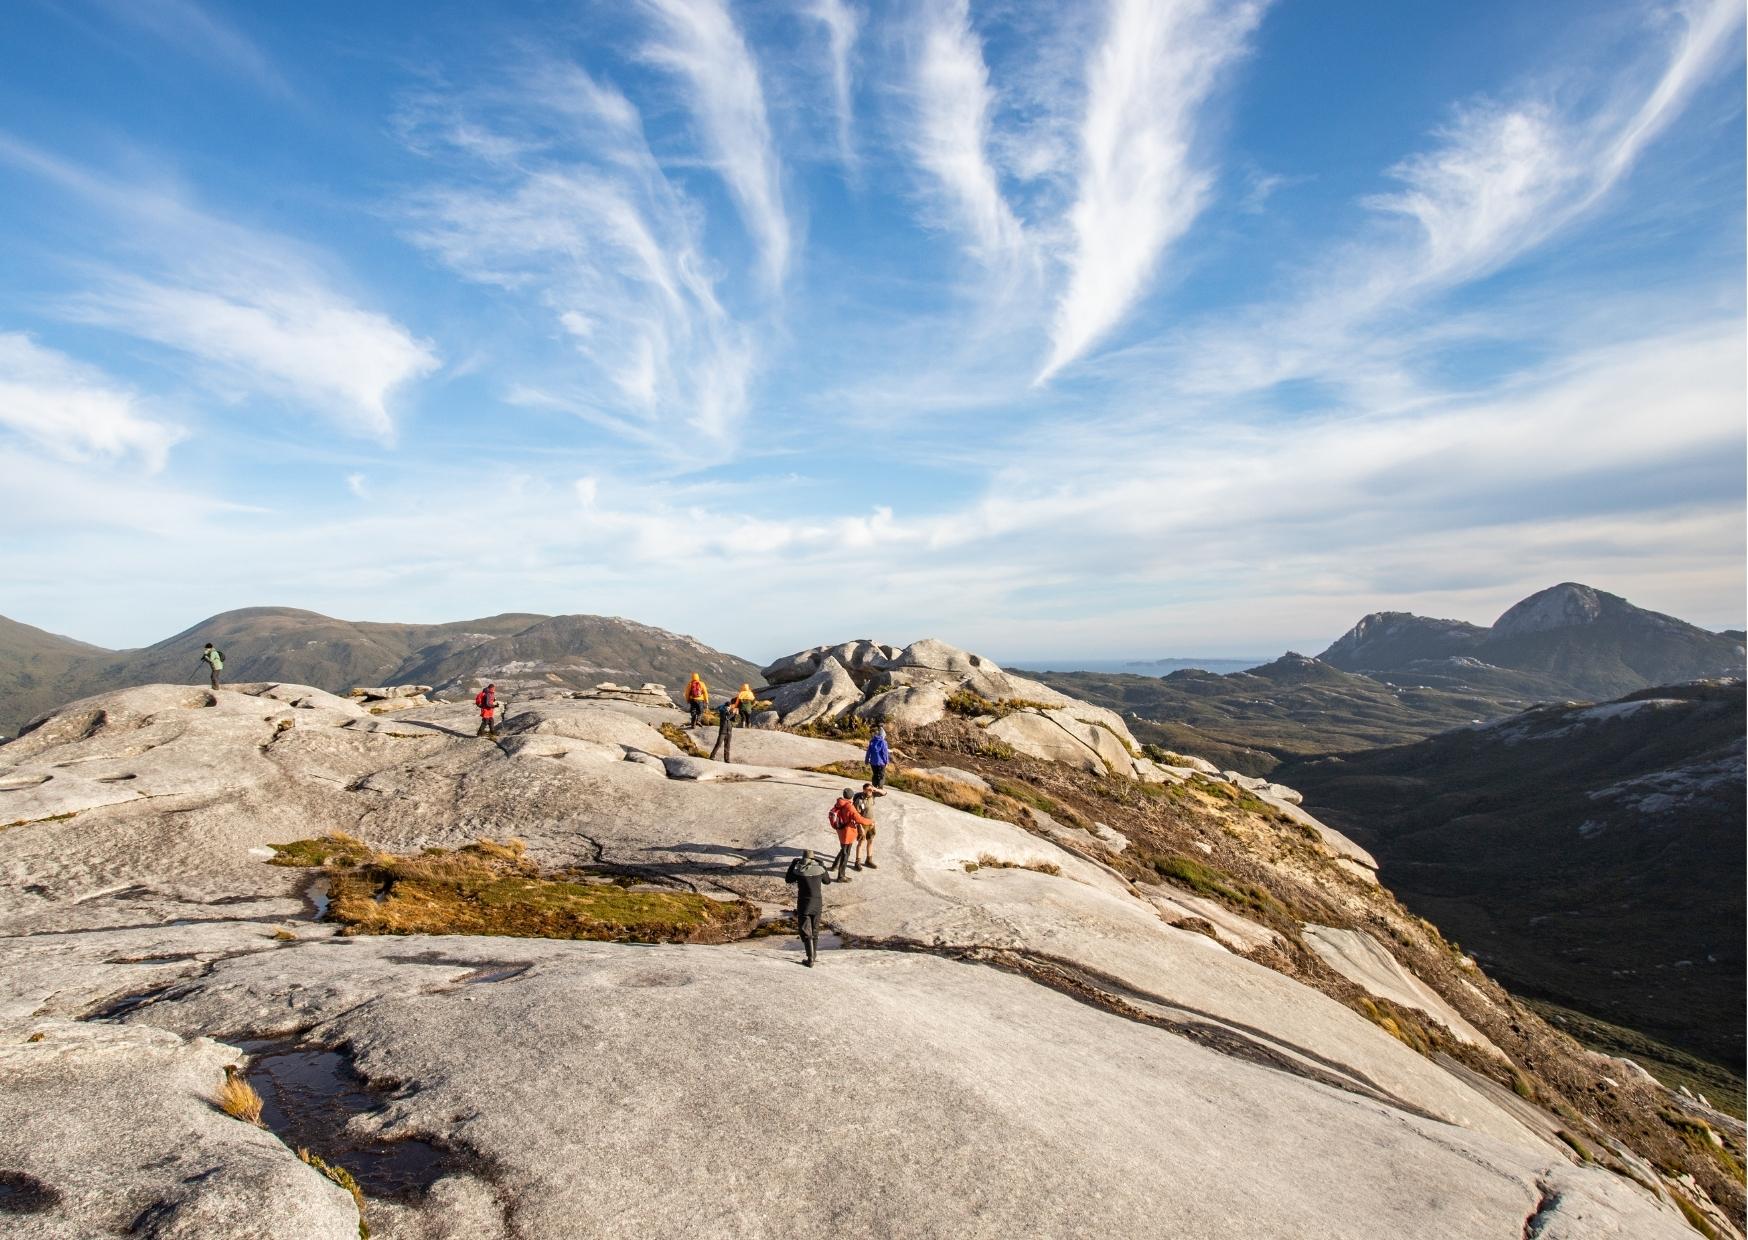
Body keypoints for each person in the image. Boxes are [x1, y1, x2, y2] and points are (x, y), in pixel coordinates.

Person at [784, 849, 834, 967]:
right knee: (815, 930)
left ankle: (810, 959)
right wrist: (823, 866)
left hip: (804, 903)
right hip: (817, 903)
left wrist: (792, 864)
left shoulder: (799, 871)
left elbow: (788, 879)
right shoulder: (820, 870)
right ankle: (813, 956)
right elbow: (827, 881)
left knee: (806, 930)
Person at [828, 788, 872, 882]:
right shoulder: (849, 806)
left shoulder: (839, 803)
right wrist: (871, 821)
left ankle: (834, 866)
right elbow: (859, 819)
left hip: (841, 831)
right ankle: (841, 876)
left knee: (843, 850)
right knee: (845, 854)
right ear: (852, 796)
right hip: (848, 833)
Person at [852, 782, 886, 870]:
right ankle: (857, 862)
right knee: (861, 843)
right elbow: (856, 815)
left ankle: (868, 860)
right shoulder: (859, 800)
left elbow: (884, 793)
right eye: (868, 790)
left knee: (870, 841)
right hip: (863, 825)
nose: (870, 791)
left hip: (871, 823)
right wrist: (859, 827)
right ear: (864, 790)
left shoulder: (872, 795)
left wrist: (875, 789)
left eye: (871, 790)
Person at [865, 724, 897, 788]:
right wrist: (886, 761)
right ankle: (880, 788)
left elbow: (868, 752)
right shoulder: (883, 742)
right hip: (881, 763)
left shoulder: (872, 741)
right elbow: (884, 753)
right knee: (881, 775)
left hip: (873, 762)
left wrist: (866, 760)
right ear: (883, 735)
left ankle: (874, 787)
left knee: (875, 775)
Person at [708, 692, 736, 762]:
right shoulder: (722, 712)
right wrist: (732, 714)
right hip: (723, 731)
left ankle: (727, 759)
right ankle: (712, 756)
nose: (728, 708)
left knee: (727, 746)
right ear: (725, 706)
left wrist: (735, 714)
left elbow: (733, 720)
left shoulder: (729, 712)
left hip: (729, 732)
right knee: (718, 744)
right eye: (727, 707)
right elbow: (727, 718)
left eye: (729, 707)